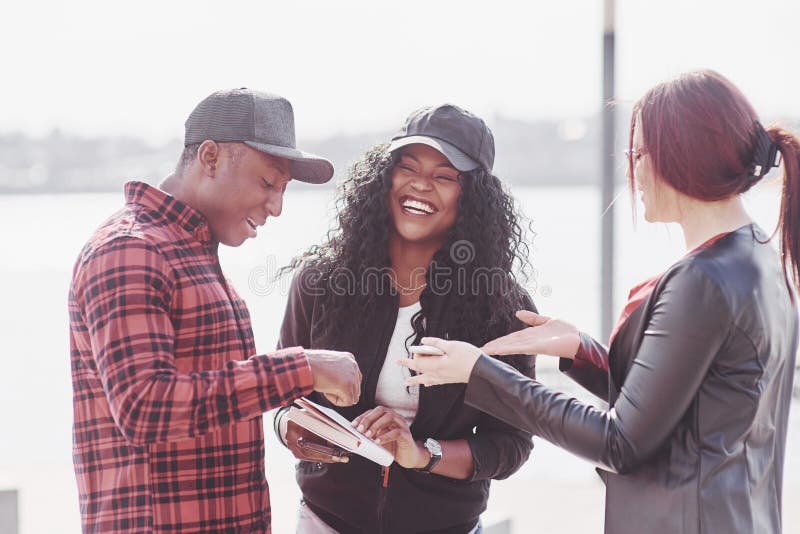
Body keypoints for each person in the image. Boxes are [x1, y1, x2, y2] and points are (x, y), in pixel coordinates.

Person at [400, 70, 800, 534]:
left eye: (637, 153)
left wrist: (481, 373)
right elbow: (684, 409)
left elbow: (620, 441)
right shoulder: (756, 258)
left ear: (678, 155)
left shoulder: (703, 281)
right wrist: (581, 351)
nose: (631, 169)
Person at [68, 88, 363, 533]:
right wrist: (303, 368)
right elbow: (145, 407)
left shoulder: (188, 254)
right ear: (209, 157)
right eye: (267, 184)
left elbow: (209, 400)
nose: (277, 207)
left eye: (283, 191)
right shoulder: (131, 250)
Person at [274, 104, 538, 533]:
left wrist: (420, 453)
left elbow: (509, 444)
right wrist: (289, 425)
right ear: (385, 177)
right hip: (325, 522)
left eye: (444, 175)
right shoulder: (320, 282)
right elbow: (284, 391)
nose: (420, 184)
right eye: (407, 167)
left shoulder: (501, 309)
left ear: (472, 195)